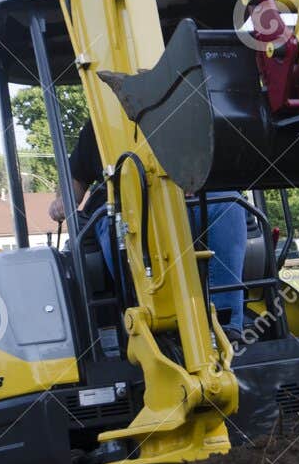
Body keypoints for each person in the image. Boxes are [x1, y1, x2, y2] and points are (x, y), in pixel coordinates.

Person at [50, 118, 247, 330]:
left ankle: (225, 321)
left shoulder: (184, 109)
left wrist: (193, 176)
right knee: (115, 224)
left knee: (228, 203)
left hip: (188, 197)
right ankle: (148, 319)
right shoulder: (99, 122)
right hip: (121, 203)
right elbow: (76, 179)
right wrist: (63, 200)